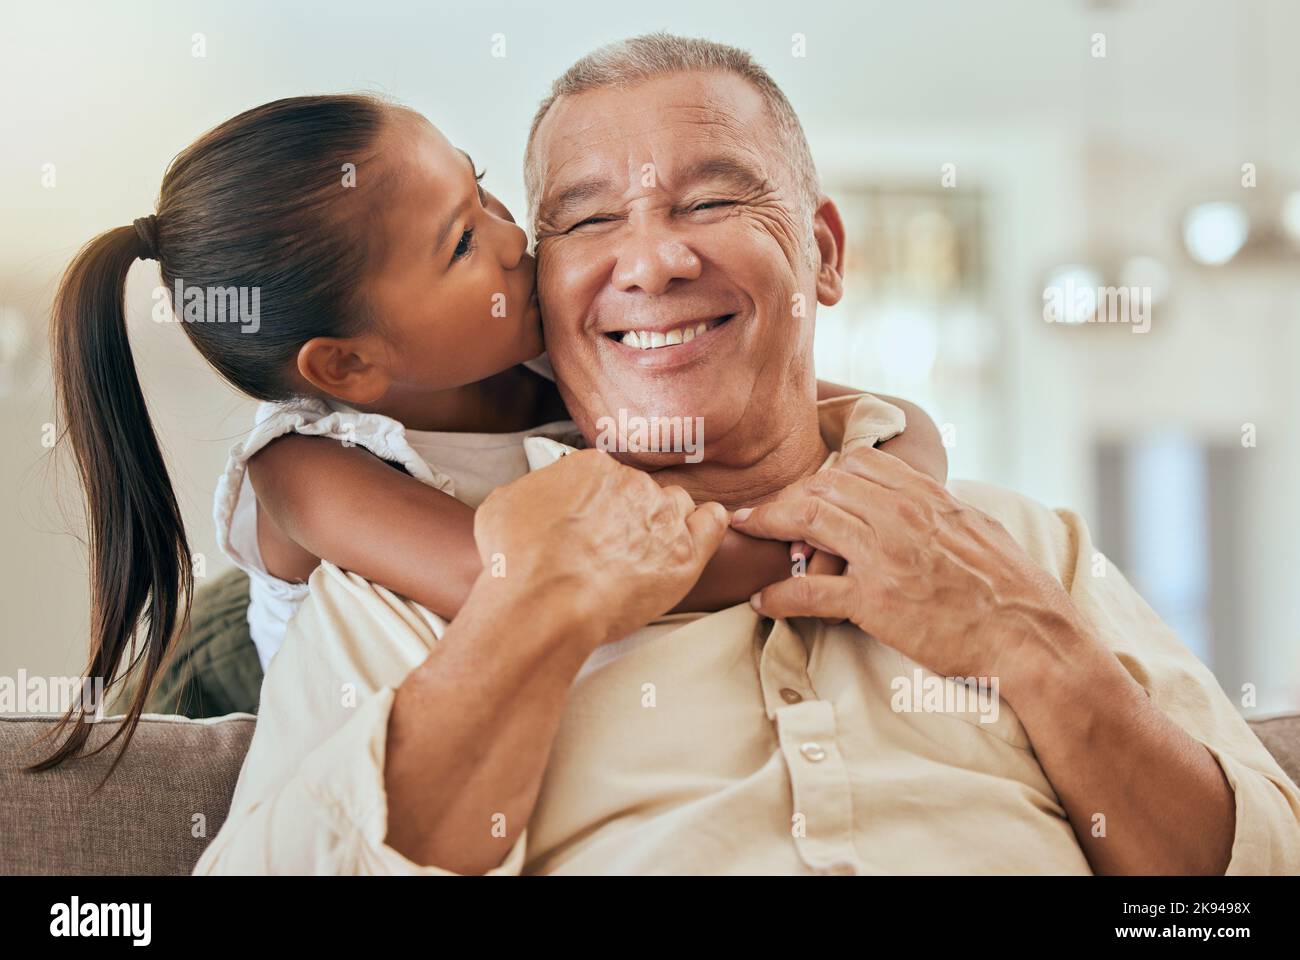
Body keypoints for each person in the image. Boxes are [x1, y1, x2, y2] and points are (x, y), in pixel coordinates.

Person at [195, 35, 1300, 875]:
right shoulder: (405, 578)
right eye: (583, 223)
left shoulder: (1019, 547)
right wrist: (536, 612)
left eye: (713, 199)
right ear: (544, 293)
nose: (653, 258)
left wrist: (1031, 650)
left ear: (819, 252)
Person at [42, 93, 943, 769]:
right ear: (349, 368)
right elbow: (532, 580)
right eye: (461, 245)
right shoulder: (308, 469)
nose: (513, 237)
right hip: (231, 654)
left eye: (479, 190)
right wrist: (807, 554)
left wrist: (911, 477)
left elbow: (863, 414)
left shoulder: (554, 335)